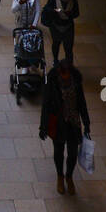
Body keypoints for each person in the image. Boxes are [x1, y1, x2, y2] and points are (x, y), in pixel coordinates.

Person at [39, 59, 91, 197]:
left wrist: (87, 123)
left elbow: (82, 103)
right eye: (63, 74)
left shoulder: (76, 82)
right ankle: (60, 176)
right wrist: (43, 126)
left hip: (73, 122)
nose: (65, 77)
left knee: (72, 153)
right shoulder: (52, 82)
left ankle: (69, 176)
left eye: (67, 74)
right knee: (59, 152)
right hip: (58, 123)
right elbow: (46, 105)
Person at [41, 0, 80, 65]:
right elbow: (47, 8)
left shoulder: (73, 0)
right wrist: (55, 11)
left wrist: (70, 14)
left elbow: (77, 13)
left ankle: (69, 62)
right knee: (56, 44)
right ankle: (55, 60)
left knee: (68, 46)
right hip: (56, 26)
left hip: (68, 27)